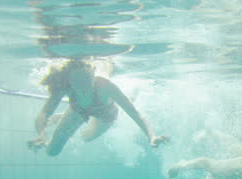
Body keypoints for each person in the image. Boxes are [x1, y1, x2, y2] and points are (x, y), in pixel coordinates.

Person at [27, 57, 168, 156]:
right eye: (78, 84)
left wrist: (151, 136)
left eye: (86, 82)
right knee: (52, 152)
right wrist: (41, 134)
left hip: (106, 113)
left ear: (93, 74)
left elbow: (136, 114)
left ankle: (131, 92)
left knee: (86, 136)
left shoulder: (104, 85)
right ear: (70, 81)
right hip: (78, 110)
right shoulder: (65, 85)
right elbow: (43, 114)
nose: (83, 88)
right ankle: (65, 115)